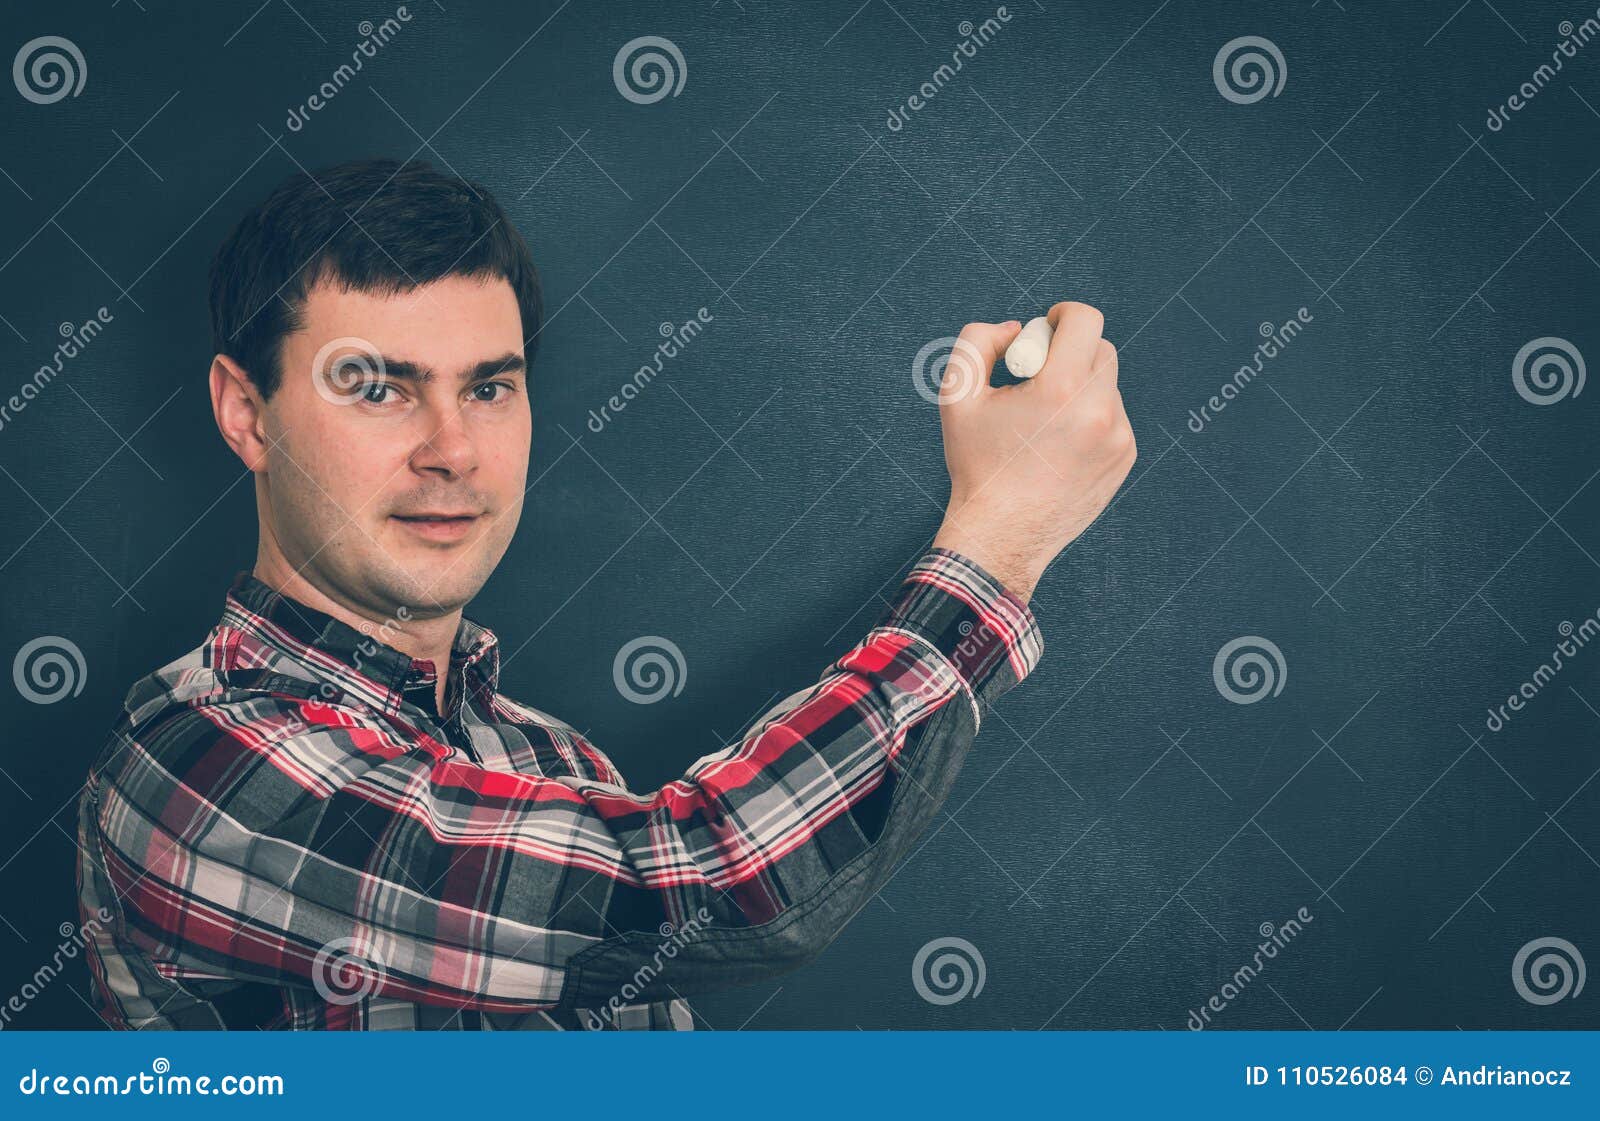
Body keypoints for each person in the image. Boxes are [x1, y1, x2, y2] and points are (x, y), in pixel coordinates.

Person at [74, 158, 1136, 1030]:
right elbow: (703, 889)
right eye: (376, 387)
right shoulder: (195, 763)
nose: (451, 449)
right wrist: (997, 542)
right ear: (246, 414)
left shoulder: (552, 763)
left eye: (488, 386)